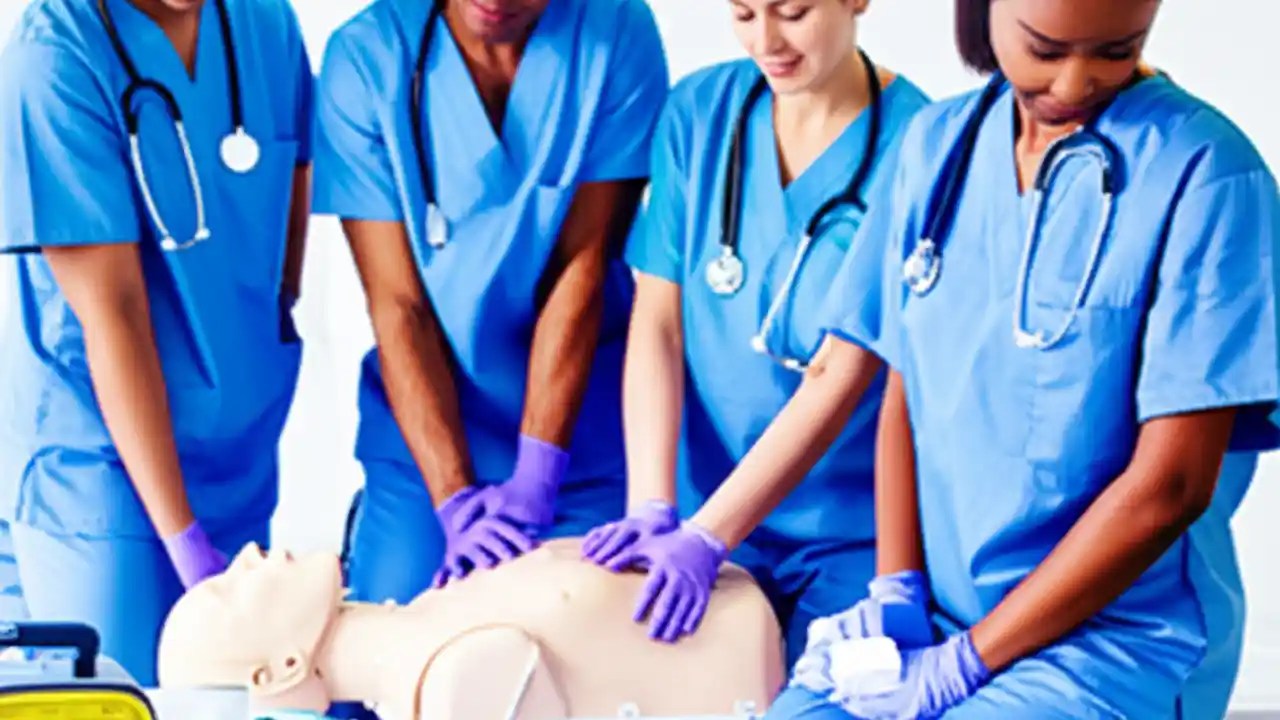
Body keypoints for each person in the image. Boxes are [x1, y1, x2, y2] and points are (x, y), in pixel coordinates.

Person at [765, 0, 1280, 718]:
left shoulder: (1209, 174)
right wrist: (896, 595)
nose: (1075, 84)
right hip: (943, 616)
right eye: (1044, 49)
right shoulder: (934, 146)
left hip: (1111, 641)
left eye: (1115, 51)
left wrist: (966, 664)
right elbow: (905, 390)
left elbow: (1173, 488)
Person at [578, 0, 929, 667]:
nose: (767, 40)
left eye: (792, 11)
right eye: (743, 13)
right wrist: (654, 505)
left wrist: (712, 535)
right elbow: (657, 324)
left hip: (848, 530)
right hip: (695, 503)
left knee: (824, 701)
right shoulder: (699, 113)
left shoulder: (919, 143)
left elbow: (843, 370)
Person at [312, 0, 668, 606]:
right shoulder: (369, 58)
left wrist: (536, 479)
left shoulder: (612, 33)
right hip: (425, 441)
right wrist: (452, 496)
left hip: (586, 433)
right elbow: (398, 304)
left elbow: (579, 269)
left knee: (587, 653)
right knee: (391, 647)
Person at [0, 0, 314, 685]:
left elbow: (290, 198)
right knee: (117, 692)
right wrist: (185, 542)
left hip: (235, 451)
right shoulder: (54, 51)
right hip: (99, 464)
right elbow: (111, 311)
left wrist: (262, 335)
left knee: (232, 697)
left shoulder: (266, 24)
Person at [156, 539, 784, 720]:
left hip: (772, 591)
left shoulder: (432, 620)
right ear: (281, 669)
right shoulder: (451, 691)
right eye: (229, 592)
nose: (242, 556)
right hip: (800, 672)